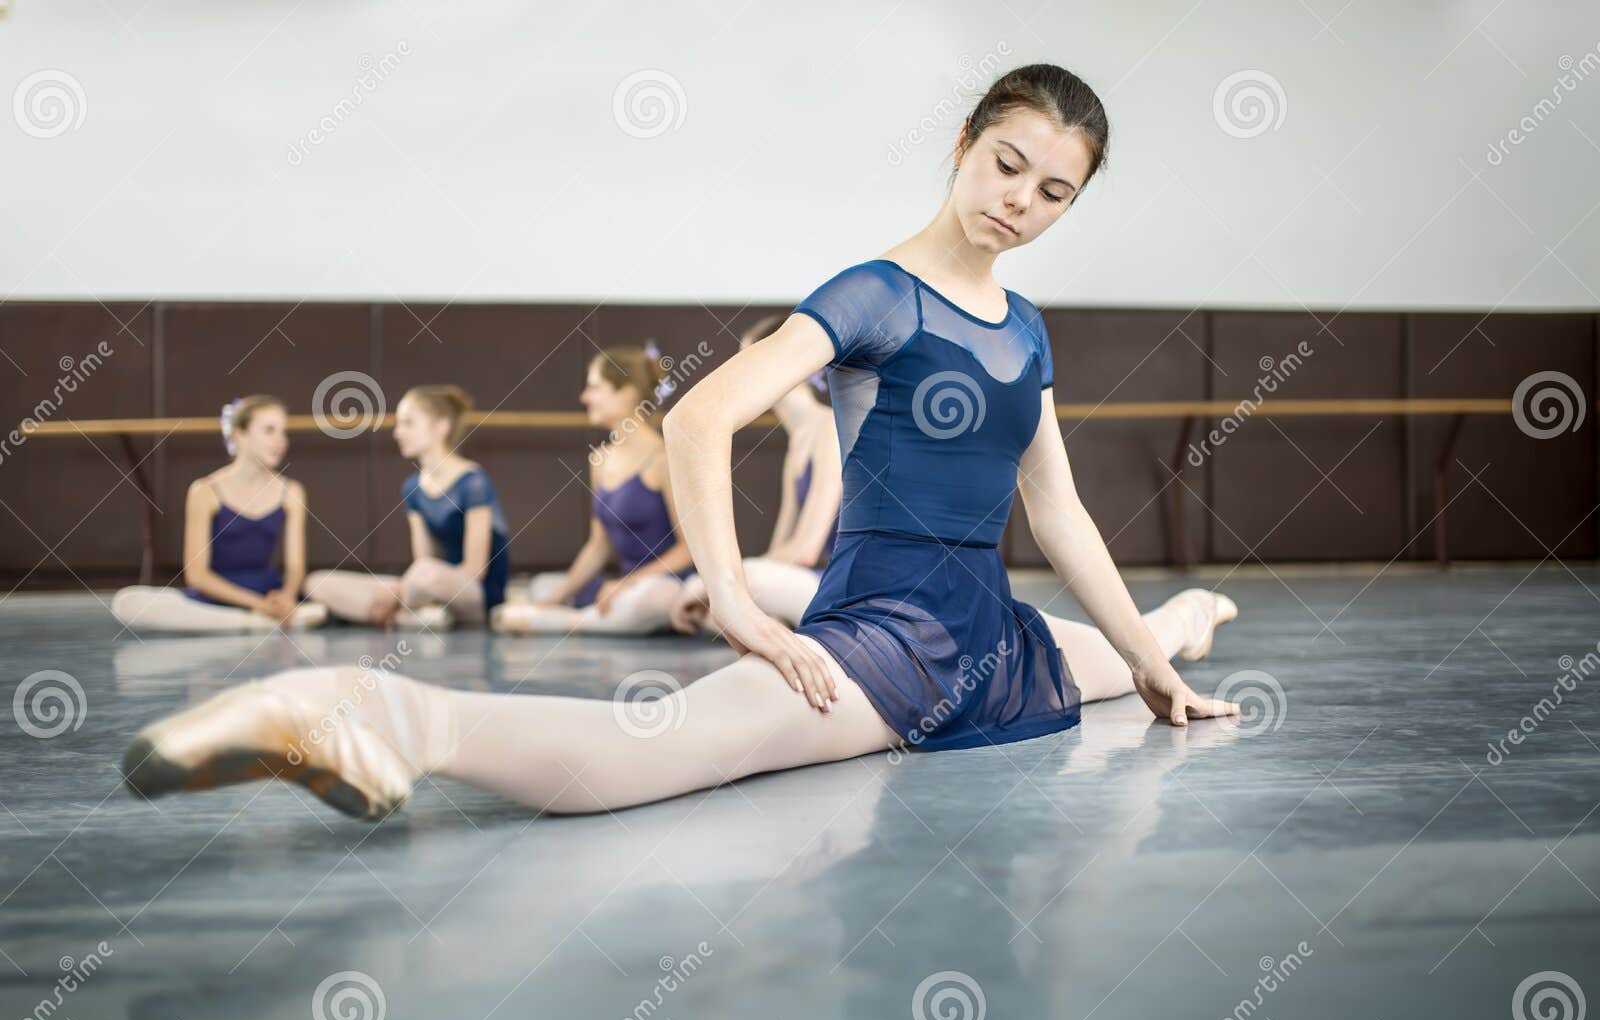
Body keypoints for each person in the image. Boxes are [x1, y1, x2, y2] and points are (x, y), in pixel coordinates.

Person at [120, 62, 1240, 822]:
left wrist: (1153, 661)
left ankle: (1195, 619)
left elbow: (1059, 512)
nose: (1019, 201)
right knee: (663, 750)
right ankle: (373, 711)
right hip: (886, 639)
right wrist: (741, 606)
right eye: (1006, 163)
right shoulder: (875, 293)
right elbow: (701, 415)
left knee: (1157, 647)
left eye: (1053, 191)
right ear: (962, 144)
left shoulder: (1027, 330)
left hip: (993, 638)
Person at [491, 344, 695, 636]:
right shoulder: (599, 460)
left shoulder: (663, 459)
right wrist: (558, 595)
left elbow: (688, 549)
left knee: (652, 598)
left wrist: (628, 584)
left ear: (626, 393)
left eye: (594, 387)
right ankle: (570, 615)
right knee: (542, 586)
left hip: (661, 587)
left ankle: (562, 623)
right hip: (621, 589)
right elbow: (599, 545)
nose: (584, 397)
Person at [669, 314, 841, 635]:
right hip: (801, 584)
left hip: (834, 587)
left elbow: (805, 551)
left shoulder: (829, 430)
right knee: (717, 606)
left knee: (712, 587)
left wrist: (723, 582)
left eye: (748, 360)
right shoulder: (799, 441)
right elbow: (782, 543)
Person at [110, 396, 326, 633]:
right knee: (127, 603)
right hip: (216, 596)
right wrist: (259, 606)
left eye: (283, 432)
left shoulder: (292, 491)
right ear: (239, 434)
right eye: (269, 431)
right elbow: (197, 575)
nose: (280, 441)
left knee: (323, 595)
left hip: (266, 589)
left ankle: (254, 621)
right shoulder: (204, 491)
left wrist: (285, 598)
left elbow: (295, 567)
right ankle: (251, 621)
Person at [304, 385, 510, 629]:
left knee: (425, 575)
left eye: (408, 423)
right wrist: (406, 589)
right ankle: (406, 613)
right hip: (426, 586)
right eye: (399, 424)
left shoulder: (474, 481)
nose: (398, 433)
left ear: (440, 427)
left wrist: (401, 591)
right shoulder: (412, 487)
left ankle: (391, 611)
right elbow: (423, 558)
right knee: (317, 582)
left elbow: (475, 570)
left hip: (474, 592)